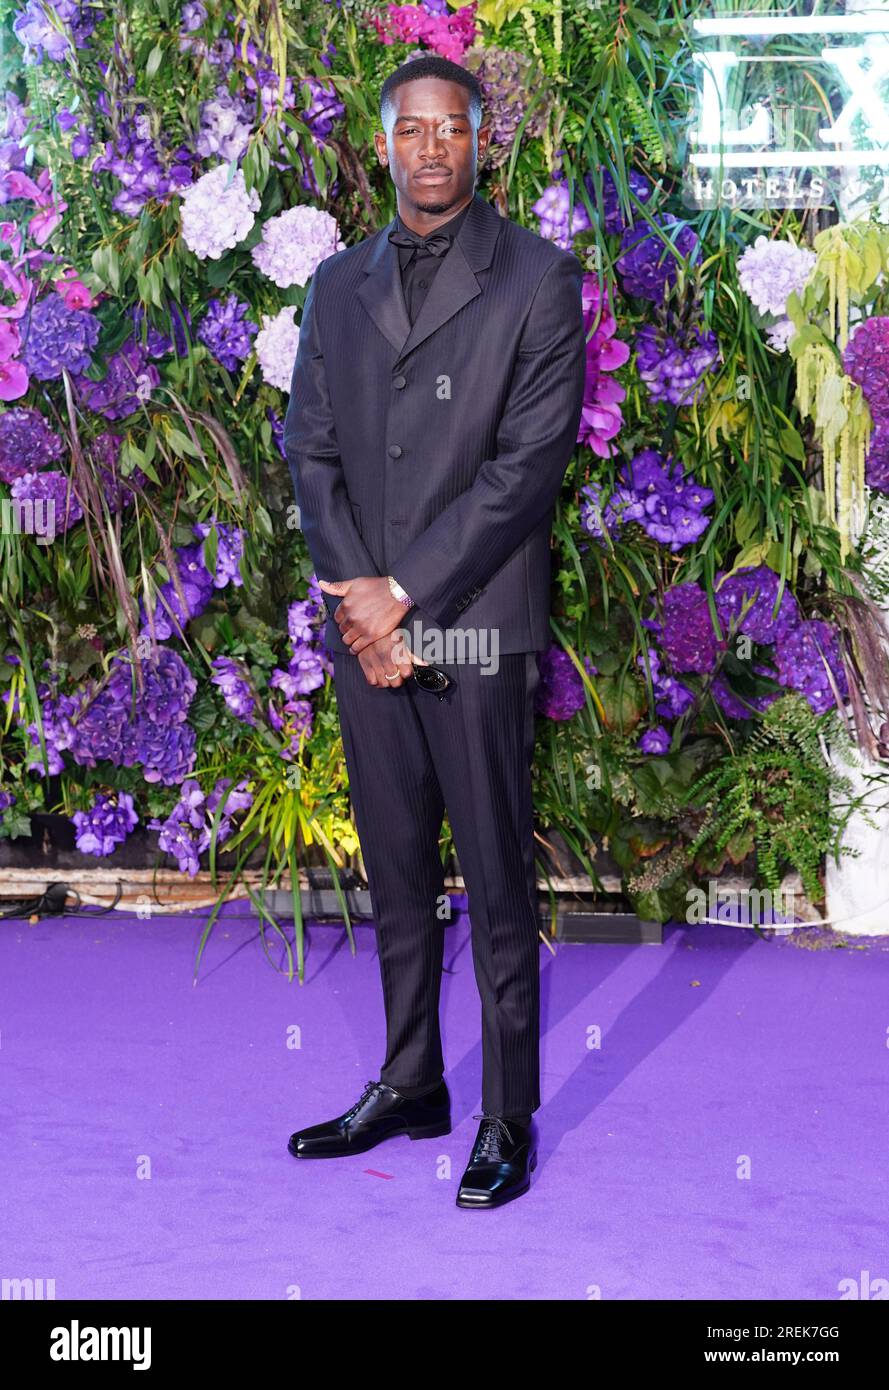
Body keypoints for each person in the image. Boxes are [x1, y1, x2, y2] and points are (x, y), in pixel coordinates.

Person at [283, 53, 586, 1208]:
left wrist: (401, 595)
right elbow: (311, 451)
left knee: (497, 873)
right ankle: (412, 1079)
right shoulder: (332, 286)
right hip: (369, 630)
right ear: (382, 145)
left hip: (473, 629)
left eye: (447, 130)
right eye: (408, 130)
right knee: (397, 864)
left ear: (480, 141)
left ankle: (507, 1109)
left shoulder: (539, 283)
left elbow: (521, 476)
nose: (428, 148)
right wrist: (361, 598)